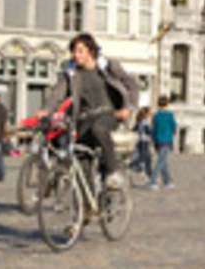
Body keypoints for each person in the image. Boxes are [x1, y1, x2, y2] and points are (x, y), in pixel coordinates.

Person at [36, 34, 139, 190]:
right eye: (74, 52)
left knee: (99, 129)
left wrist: (129, 108)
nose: (76, 55)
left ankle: (113, 172)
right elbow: (57, 93)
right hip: (84, 118)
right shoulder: (71, 72)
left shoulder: (108, 67)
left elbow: (132, 84)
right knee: (80, 157)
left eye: (80, 51)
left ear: (90, 51)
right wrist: (46, 109)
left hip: (109, 114)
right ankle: (89, 207)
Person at [130, 106, 154, 181]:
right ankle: (133, 166)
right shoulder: (145, 122)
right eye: (150, 114)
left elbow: (133, 129)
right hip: (145, 141)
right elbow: (147, 131)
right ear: (147, 115)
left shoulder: (139, 121)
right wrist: (153, 133)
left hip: (140, 141)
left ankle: (137, 168)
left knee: (143, 157)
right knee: (146, 158)